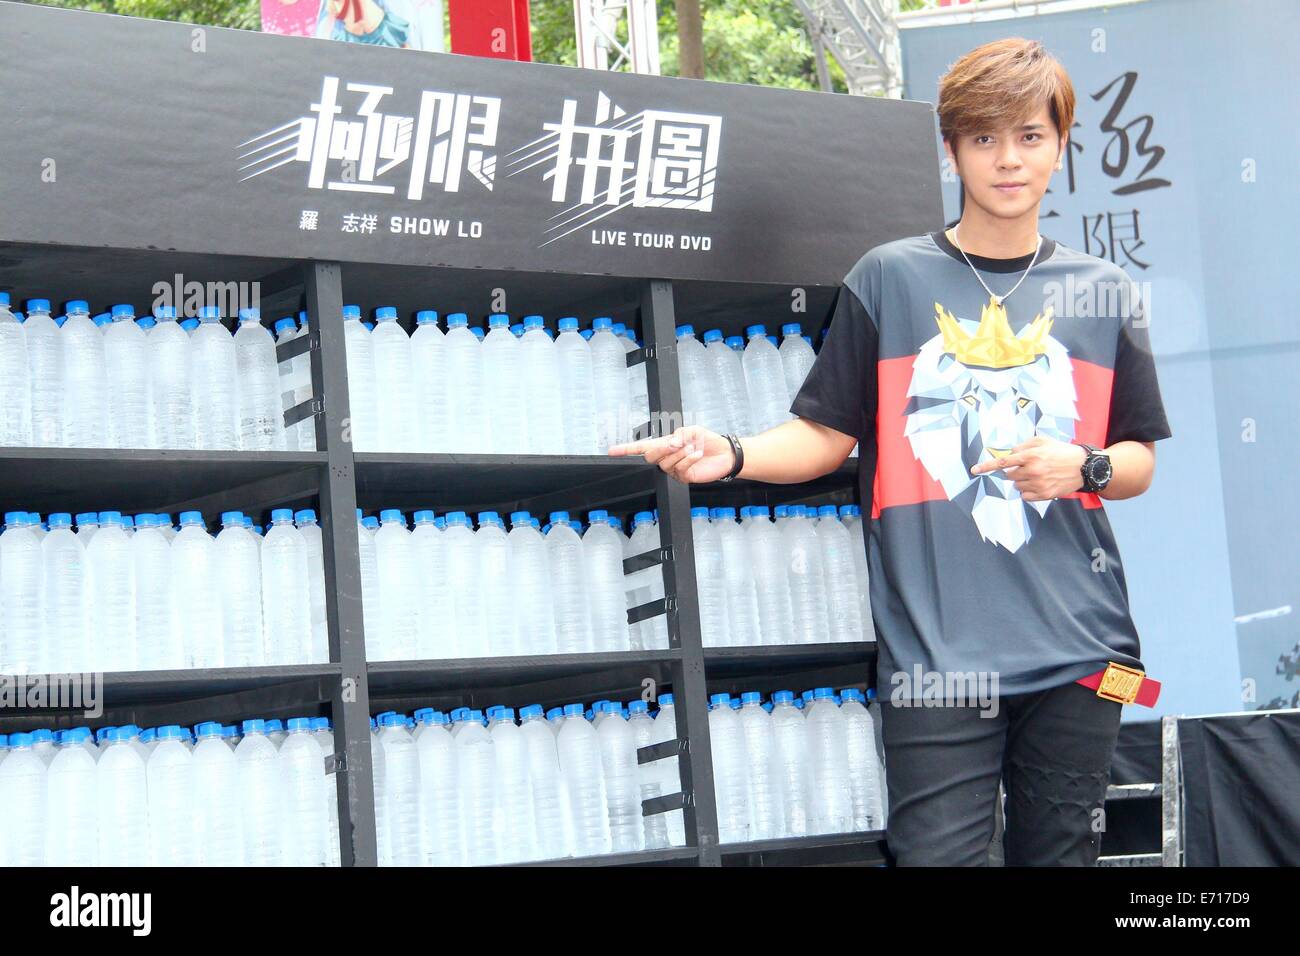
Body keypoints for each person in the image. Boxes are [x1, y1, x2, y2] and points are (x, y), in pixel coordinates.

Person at [608, 37, 1172, 866]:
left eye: (1028, 137)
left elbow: (1138, 461)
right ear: (951, 151)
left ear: (1059, 144)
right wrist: (727, 451)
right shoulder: (888, 280)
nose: (1008, 160)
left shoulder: (1105, 294)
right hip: (935, 661)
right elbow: (824, 436)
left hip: (1087, 657)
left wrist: (1080, 466)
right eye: (984, 139)